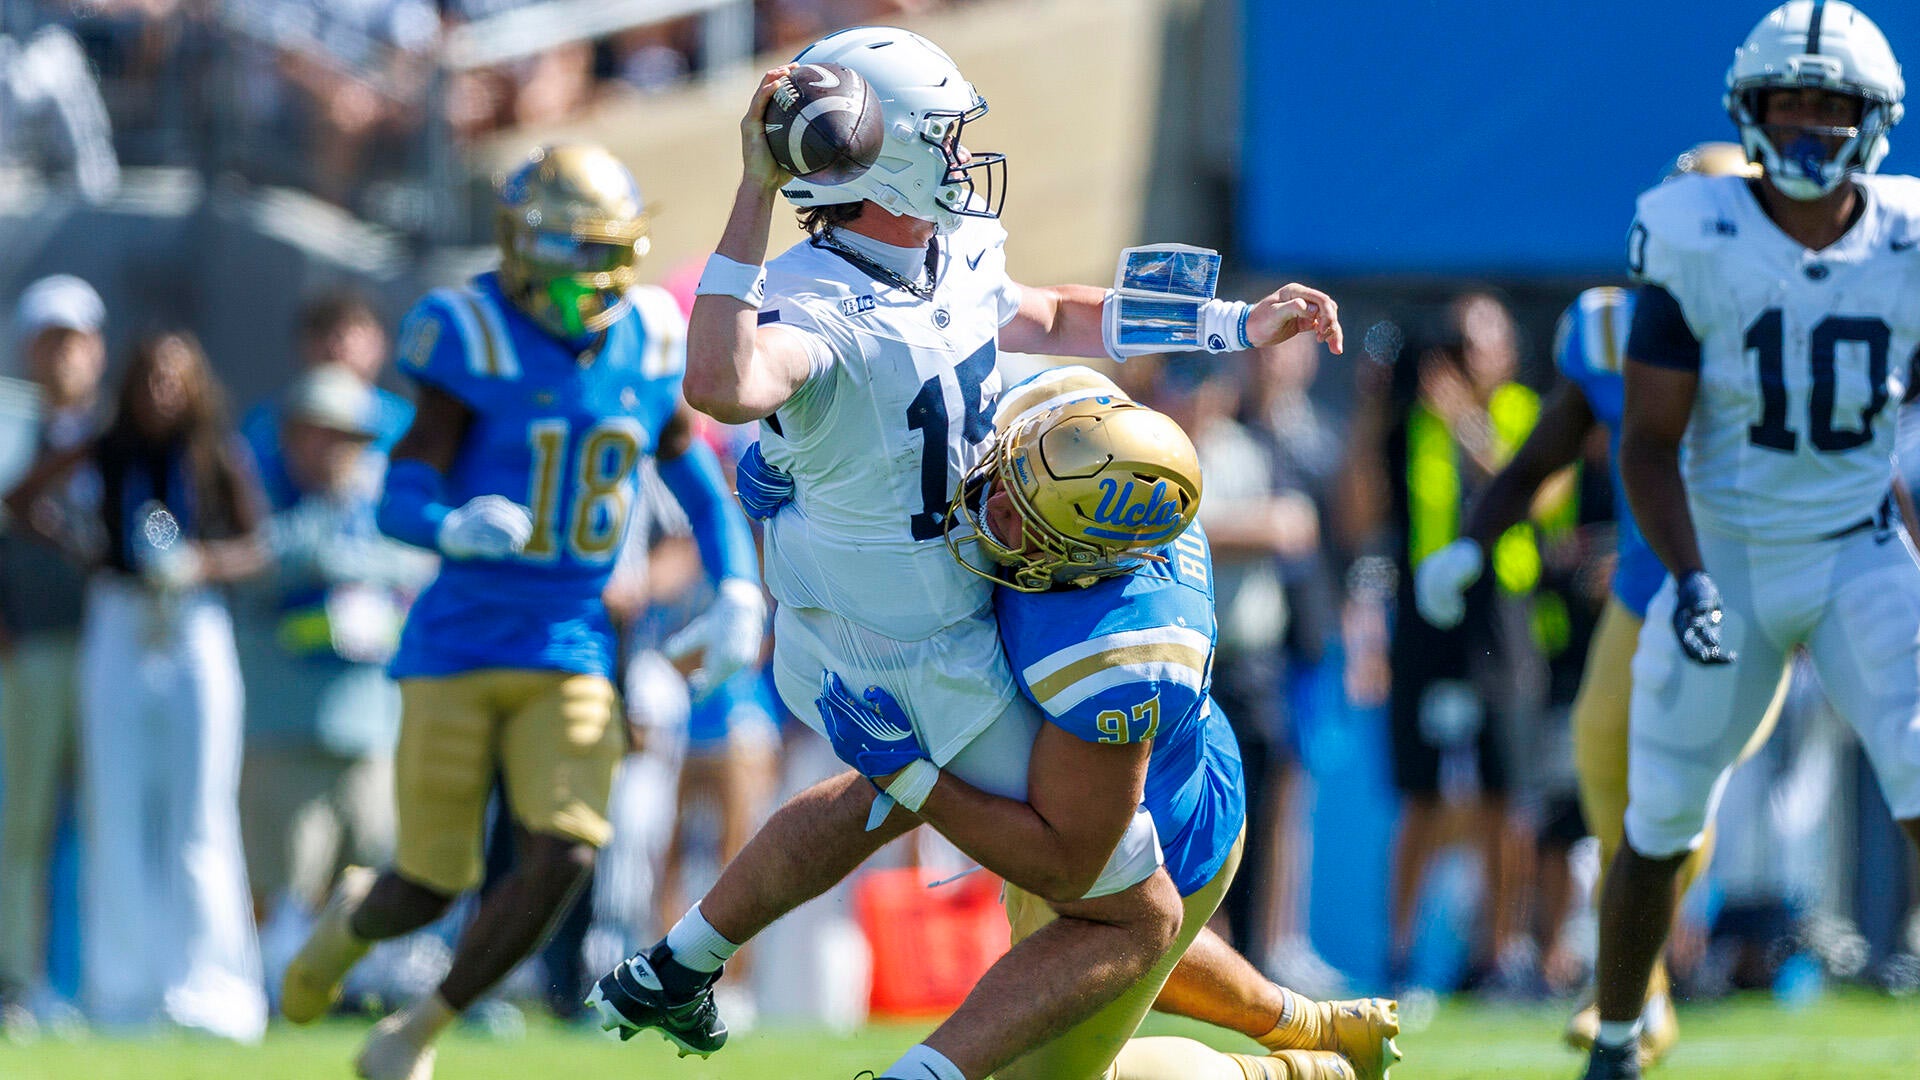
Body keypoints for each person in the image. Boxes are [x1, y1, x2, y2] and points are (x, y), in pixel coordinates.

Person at [585, 26, 1344, 1080]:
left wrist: (1230, 324)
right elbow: (718, 384)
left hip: (872, 601)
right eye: (940, 139)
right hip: (918, 642)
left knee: (873, 799)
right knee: (1128, 911)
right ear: (884, 153)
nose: (958, 158)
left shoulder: (945, 246)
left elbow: (1049, 311)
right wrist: (754, 189)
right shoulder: (817, 303)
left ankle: (678, 963)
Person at [274, 143, 765, 1080]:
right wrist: (454, 523)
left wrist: (735, 581)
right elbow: (395, 497)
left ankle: (414, 1031)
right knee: (429, 883)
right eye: (575, 253)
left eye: (606, 252)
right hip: (458, 640)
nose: (593, 280)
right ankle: (349, 926)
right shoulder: (468, 331)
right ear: (524, 246)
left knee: (568, 850)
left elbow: (695, 481)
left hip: (573, 639)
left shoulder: (652, 338)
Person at [809, 375, 1398, 1080]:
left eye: (1028, 513)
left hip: (1143, 842)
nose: (997, 508)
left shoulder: (1112, 649)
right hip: (1121, 814)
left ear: (1092, 555)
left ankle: (1300, 1075)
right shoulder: (1078, 443)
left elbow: (1074, 865)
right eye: (1017, 475)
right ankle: (1312, 1027)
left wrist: (911, 779)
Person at [1581, 4, 1920, 1078]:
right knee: (1660, 816)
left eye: (1833, 108)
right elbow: (1645, 442)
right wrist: (1685, 575)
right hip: (1725, 545)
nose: (1811, 126)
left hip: (1862, 546)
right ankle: (1621, 1035)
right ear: (1751, 111)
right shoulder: (1692, 232)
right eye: (1791, 104)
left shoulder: (1907, 238)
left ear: (1875, 122)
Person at [1416, 143, 1778, 1064]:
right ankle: (1639, 990)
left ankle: (1634, 987)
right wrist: (1471, 539)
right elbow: (1546, 449)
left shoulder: (1787, 322)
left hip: (1756, 594)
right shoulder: (1613, 328)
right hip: (1645, 591)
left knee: (1680, 793)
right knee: (1601, 761)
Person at [6, 330, 271, 1040]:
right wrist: (84, 550)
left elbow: (259, 545)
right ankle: (121, 990)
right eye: (151, 377)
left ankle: (211, 990)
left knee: (198, 811)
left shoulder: (214, 452)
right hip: (119, 618)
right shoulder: (105, 447)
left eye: (175, 378)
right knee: (115, 808)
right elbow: (24, 498)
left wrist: (200, 564)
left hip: (191, 622)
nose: (162, 391)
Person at [1344, 293, 1545, 992]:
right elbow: (1358, 514)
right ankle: (1398, 957)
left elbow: (1538, 498)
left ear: (1507, 353)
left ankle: (1495, 955)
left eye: (1476, 347)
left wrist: (1463, 417)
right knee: (1421, 796)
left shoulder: (1524, 412)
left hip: (1502, 622)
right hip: (1425, 626)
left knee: (1502, 795)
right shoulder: (1408, 422)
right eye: (1453, 348)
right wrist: (1374, 413)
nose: (1461, 364)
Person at [235, 365, 435, 978]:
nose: (332, 450)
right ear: (290, 437)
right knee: (277, 883)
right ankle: (270, 988)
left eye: (347, 436)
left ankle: (345, 987)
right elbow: (261, 560)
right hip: (284, 730)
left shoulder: (384, 509)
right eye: (316, 434)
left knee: (368, 873)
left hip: (370, 730)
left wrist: (360, 555)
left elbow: (421, 570)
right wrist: (333, 552)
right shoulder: (256, 496)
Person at [0, 275, 106, 1026]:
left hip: (114, 651)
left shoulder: (124, 433)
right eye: (48, 341)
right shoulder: (9, 428)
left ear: (96, 351)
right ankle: (19, 980)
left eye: (73, 341)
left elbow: (159, 529)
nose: (61, 356)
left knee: (108, 816)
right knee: (27, 821)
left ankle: (95, 977)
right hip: (26, 647)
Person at [240, 288, 415, 512]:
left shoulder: (405, 423)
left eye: (354, 328)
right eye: (324, 330)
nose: (337, 344)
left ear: (382, 344)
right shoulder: (267, 421)